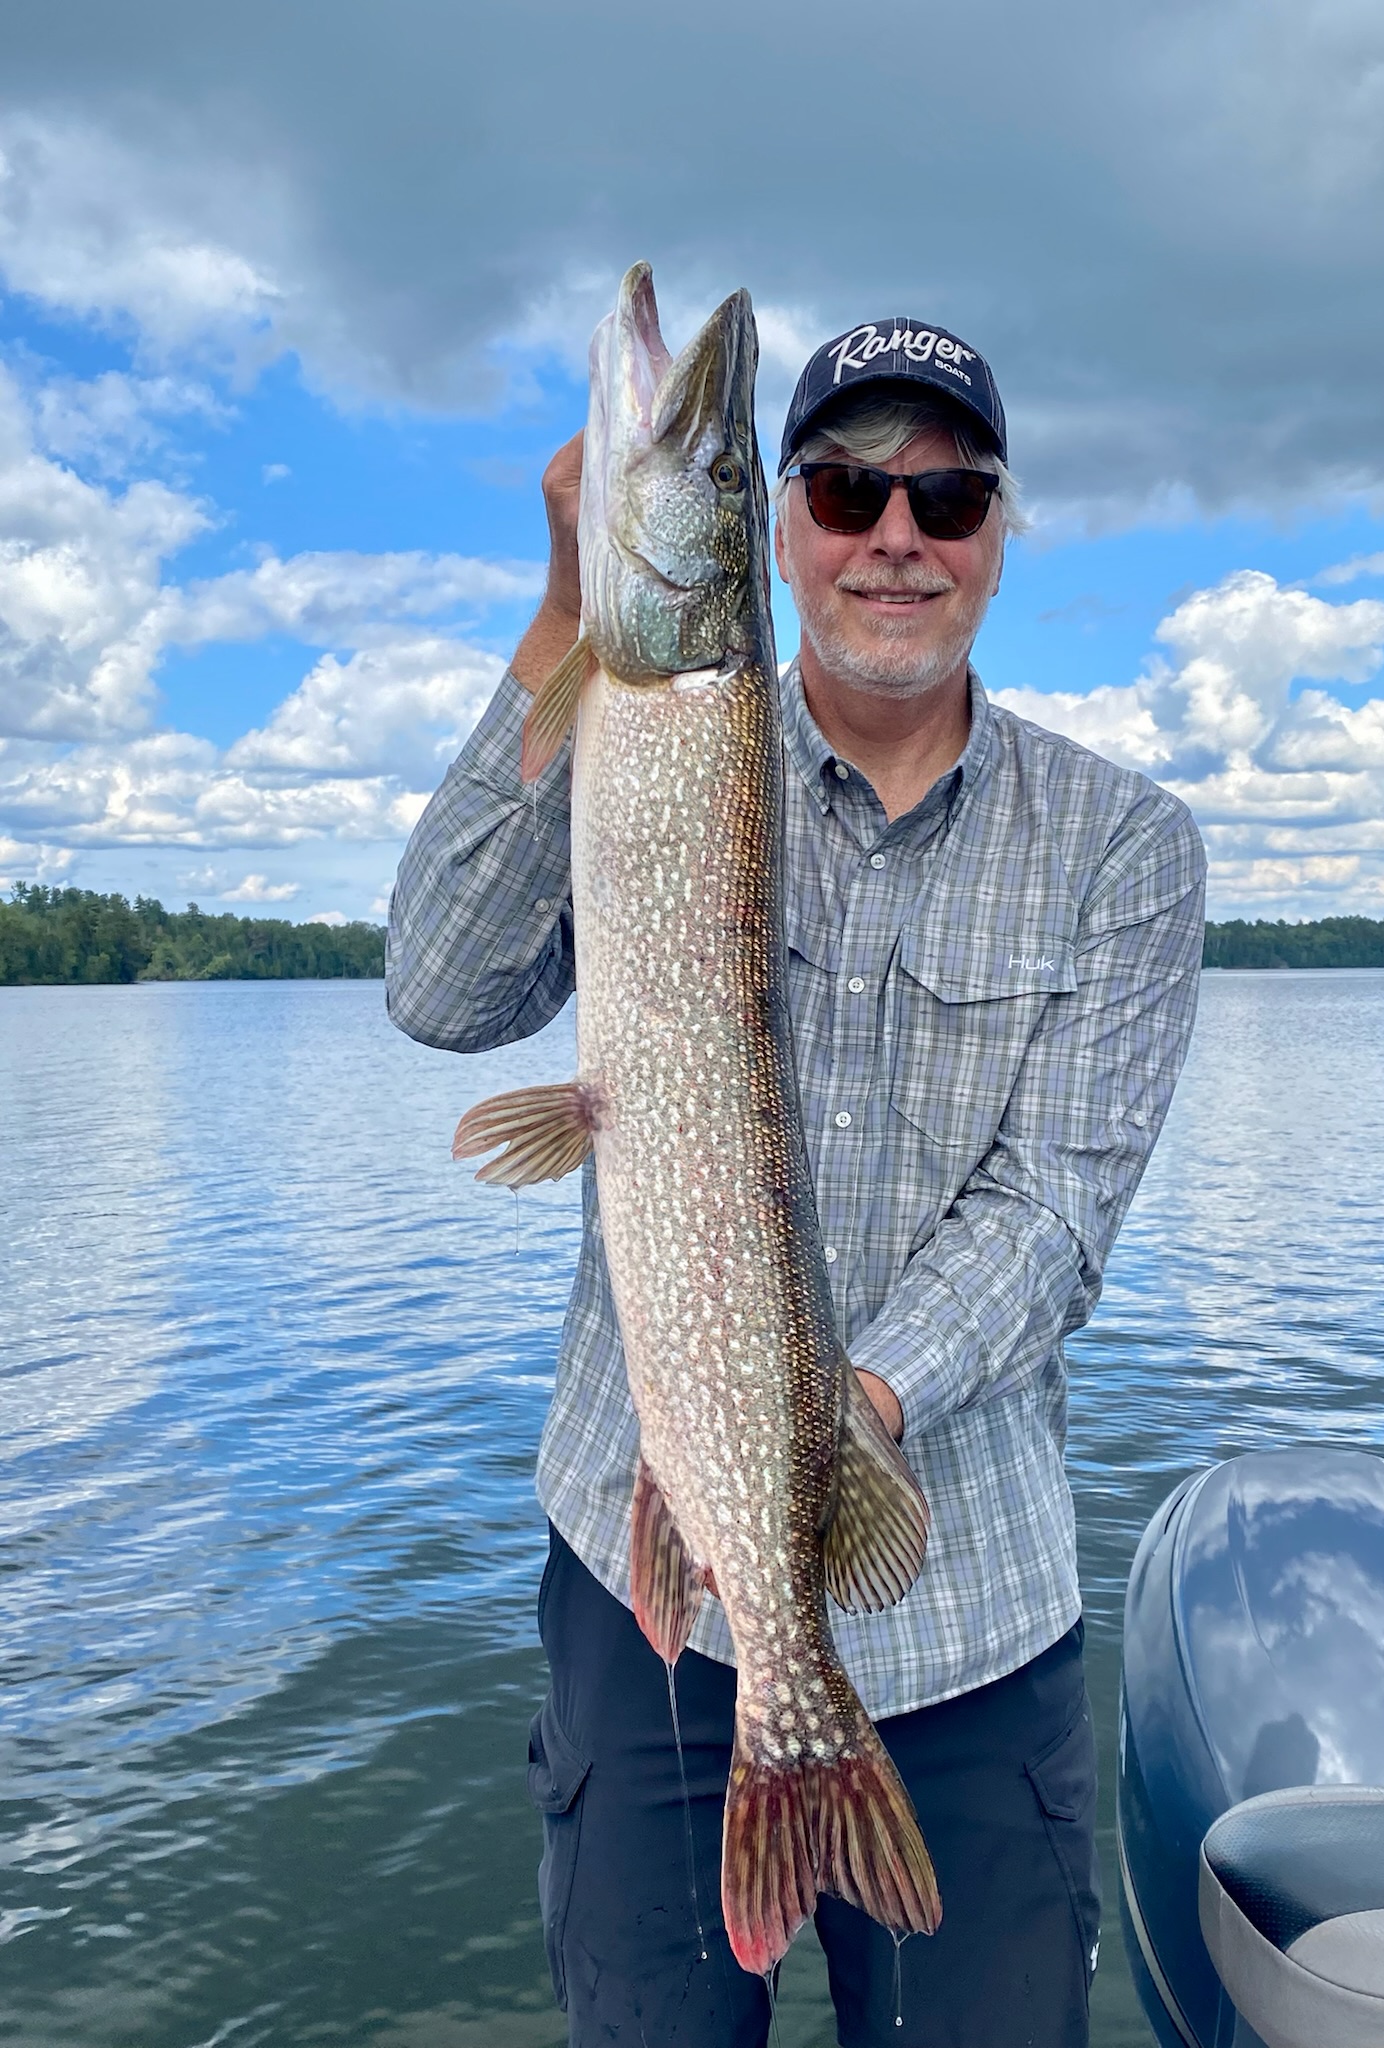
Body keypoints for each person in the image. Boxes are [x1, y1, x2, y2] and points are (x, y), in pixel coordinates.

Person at [386, 315, 1207, 2048]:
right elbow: (443, 992)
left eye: (946, 495)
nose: (893, 533)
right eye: (843, 487)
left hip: (971, 1613)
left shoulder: (1127, 844)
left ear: (999, 535)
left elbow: (1055, 1206)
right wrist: (562, 615)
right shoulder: (658, 725)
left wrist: (843, 1413)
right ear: (775, 526)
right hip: (651, 1618)